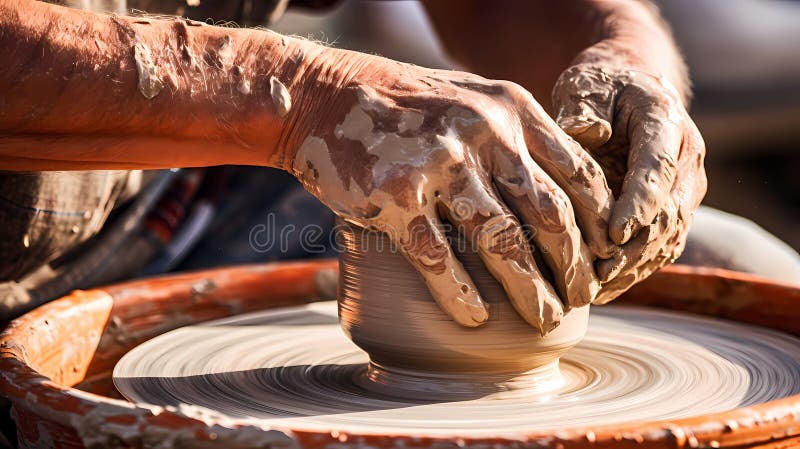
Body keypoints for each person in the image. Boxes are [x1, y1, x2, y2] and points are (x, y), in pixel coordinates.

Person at [0, 0, 791, 334]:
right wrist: (308, 100)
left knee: (748, 281)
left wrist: (626, 56)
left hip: (190, 192)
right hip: (23, 270)